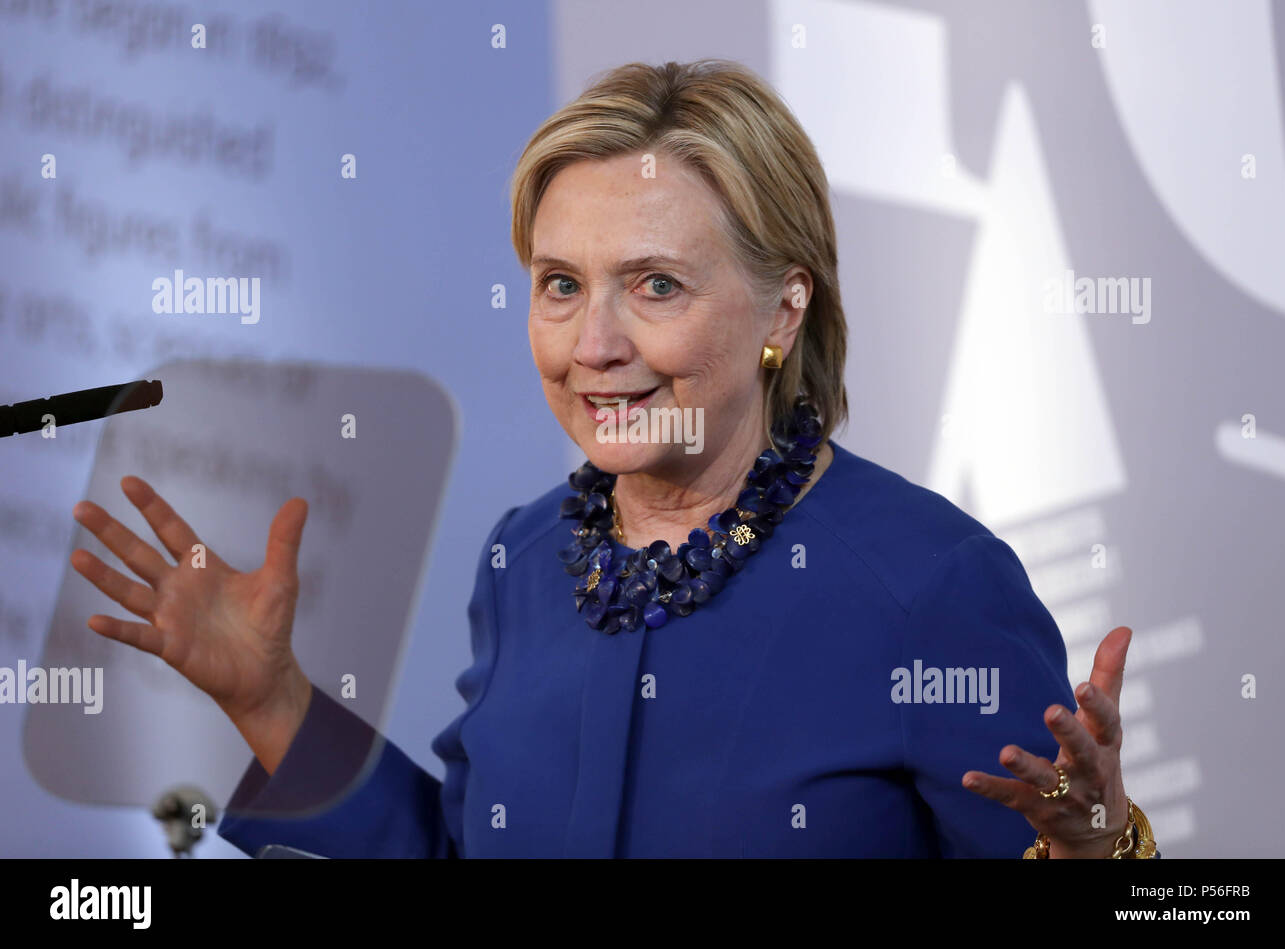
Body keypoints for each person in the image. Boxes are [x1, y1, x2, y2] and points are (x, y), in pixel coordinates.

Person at [70, 59, 1155, 858]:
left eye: (655, 285)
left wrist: (1099, 848)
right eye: (559, 284)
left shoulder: (931, 583)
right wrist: (273, 702)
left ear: (784, 305)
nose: (593, 345)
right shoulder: (527, 557)